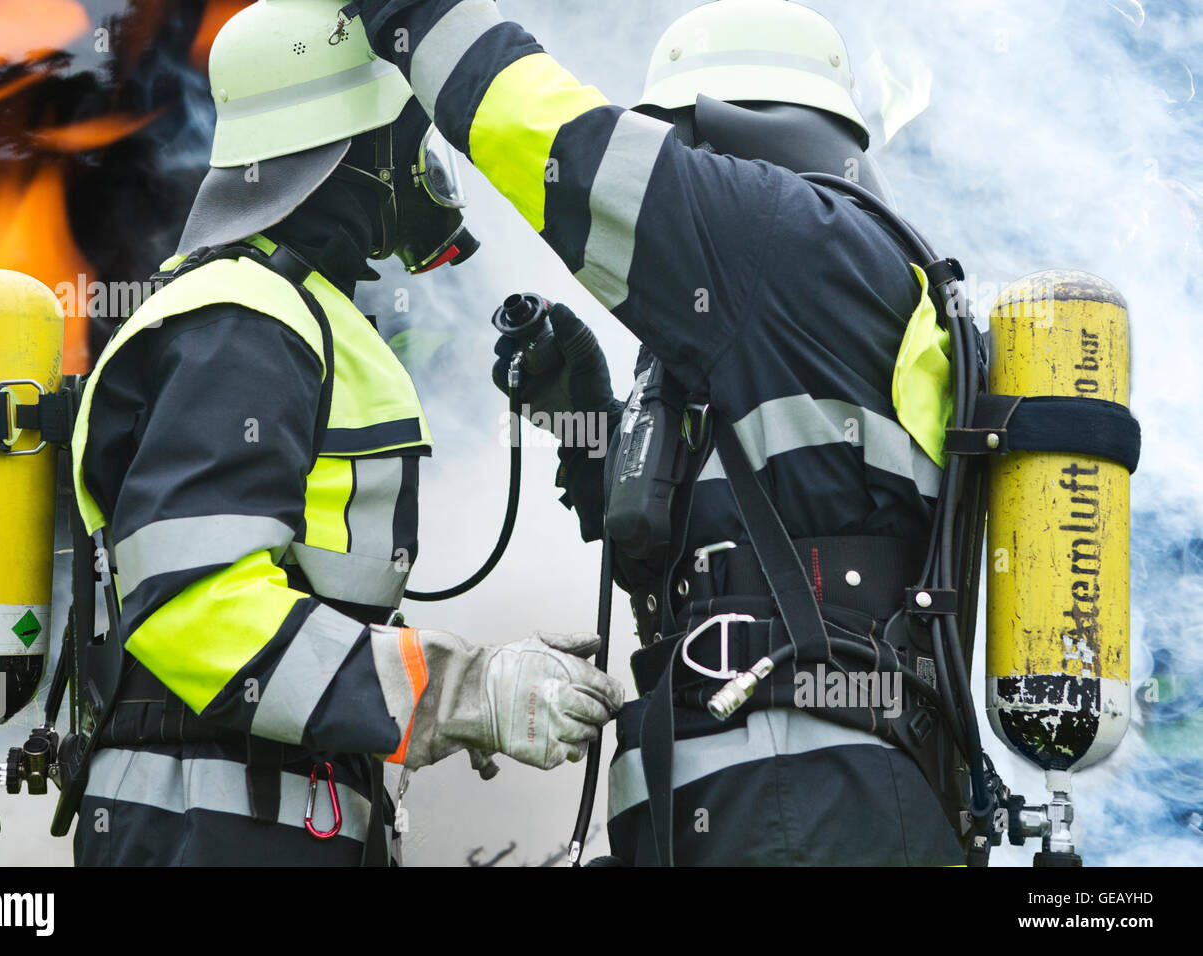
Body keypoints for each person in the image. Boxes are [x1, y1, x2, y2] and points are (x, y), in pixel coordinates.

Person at [353, 0, 970, 864]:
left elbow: (560, 143)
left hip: (796, 801)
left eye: (676, 141)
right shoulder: (794, 295)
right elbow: (747, 544)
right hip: (783, 794)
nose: (671, 166)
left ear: (734, 129)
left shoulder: (784, 234)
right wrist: (591, 426)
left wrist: (410, 13)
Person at [68, 0, 623, 866]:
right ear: (354, 146)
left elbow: (304, 602)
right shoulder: (240, 326)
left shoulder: (287, 312)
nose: (419, 163)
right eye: (405, 135)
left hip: (262, 826)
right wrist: (463, 694)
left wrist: (482, 672)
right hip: (212, 834)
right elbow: (196, 606)